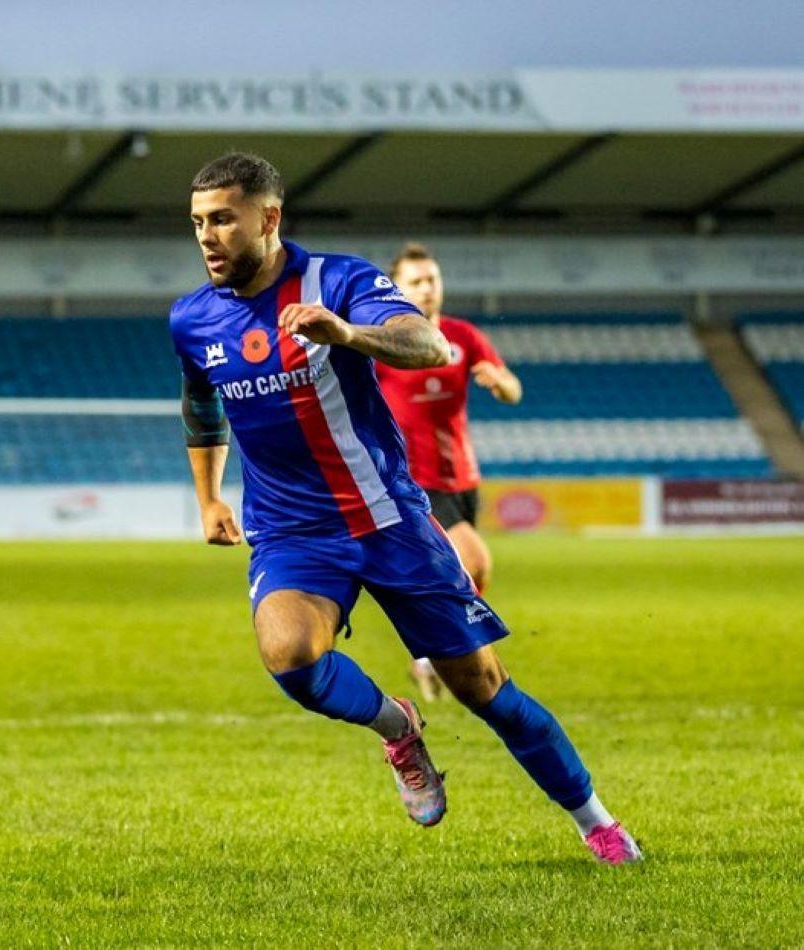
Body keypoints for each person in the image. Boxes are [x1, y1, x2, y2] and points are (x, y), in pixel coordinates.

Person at [170, 152, 639, 864]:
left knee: (483, 687)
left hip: (389, 518)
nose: (207, 236)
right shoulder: (190, 318)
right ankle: (398, 728)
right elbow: (199, 402)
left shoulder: (340, 279)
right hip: (293, 531)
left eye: (223, 220)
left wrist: (349, 335)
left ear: (268, 218)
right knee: (289, 655)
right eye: (199, 222)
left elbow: (428, 342)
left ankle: (594, 820)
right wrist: (207, 498)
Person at [376, 243, 523, 701]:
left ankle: (428, 656)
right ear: (397, 289)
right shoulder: (383, 345)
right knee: (475, 561)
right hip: (413, 482)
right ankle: (453, 653)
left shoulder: (462, 336)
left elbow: (514, 390)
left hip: (463, 479)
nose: (427, 288)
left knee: (459, 574)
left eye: (432, 279)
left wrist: (501, 385)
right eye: (416, 281)